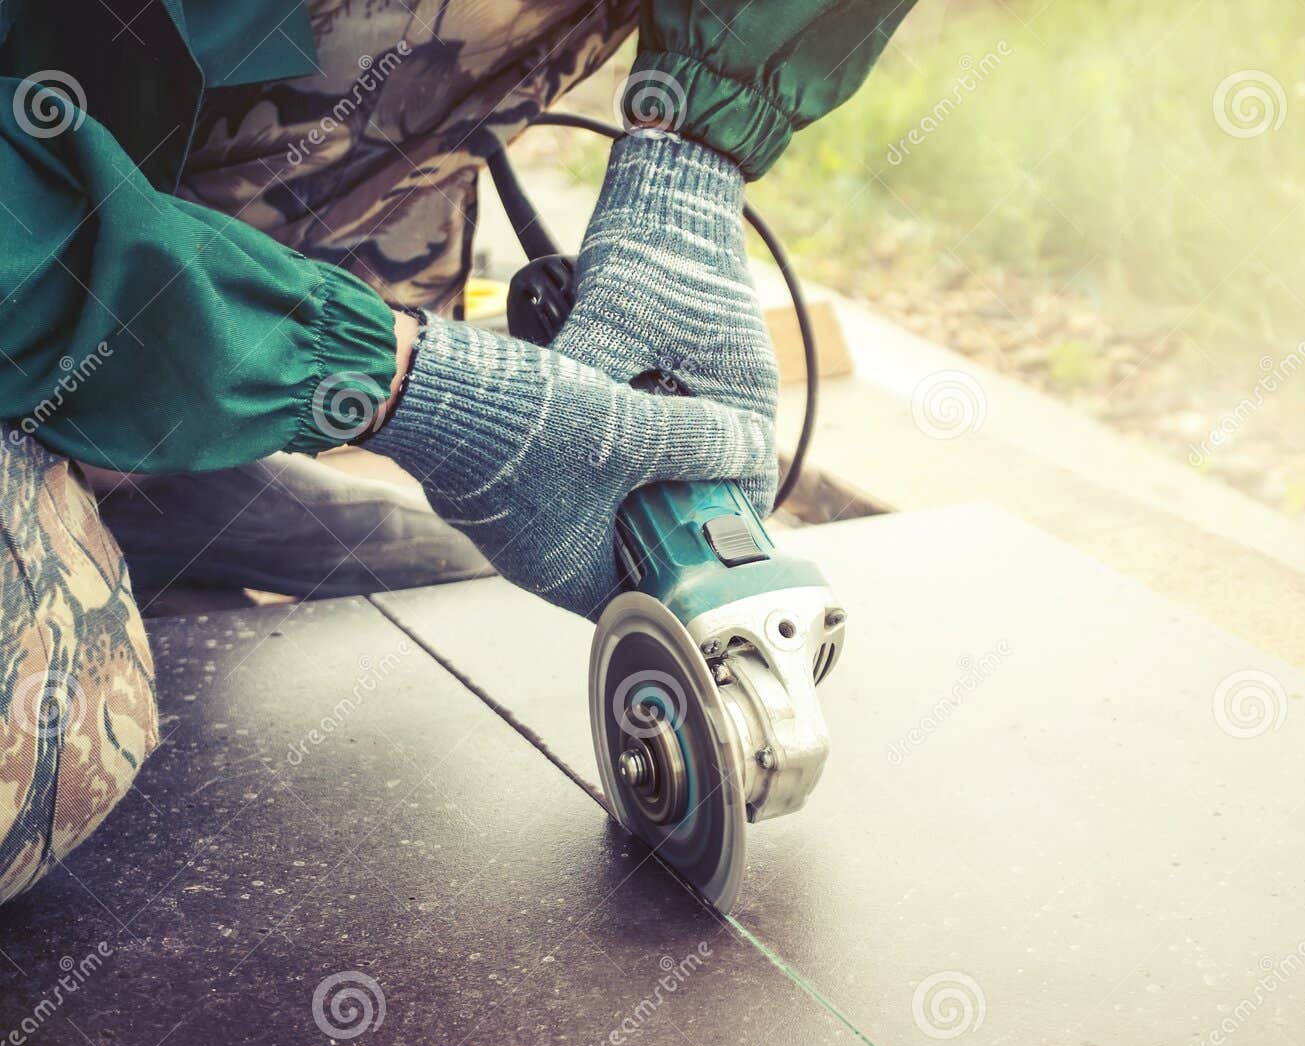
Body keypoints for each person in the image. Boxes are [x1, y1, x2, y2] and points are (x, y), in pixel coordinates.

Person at [0, 0, 914, 905]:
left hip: (115, 85)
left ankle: (153, 443)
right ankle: (110, 418)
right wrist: (402, 382)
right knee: (46, 747)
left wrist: (694, 158)